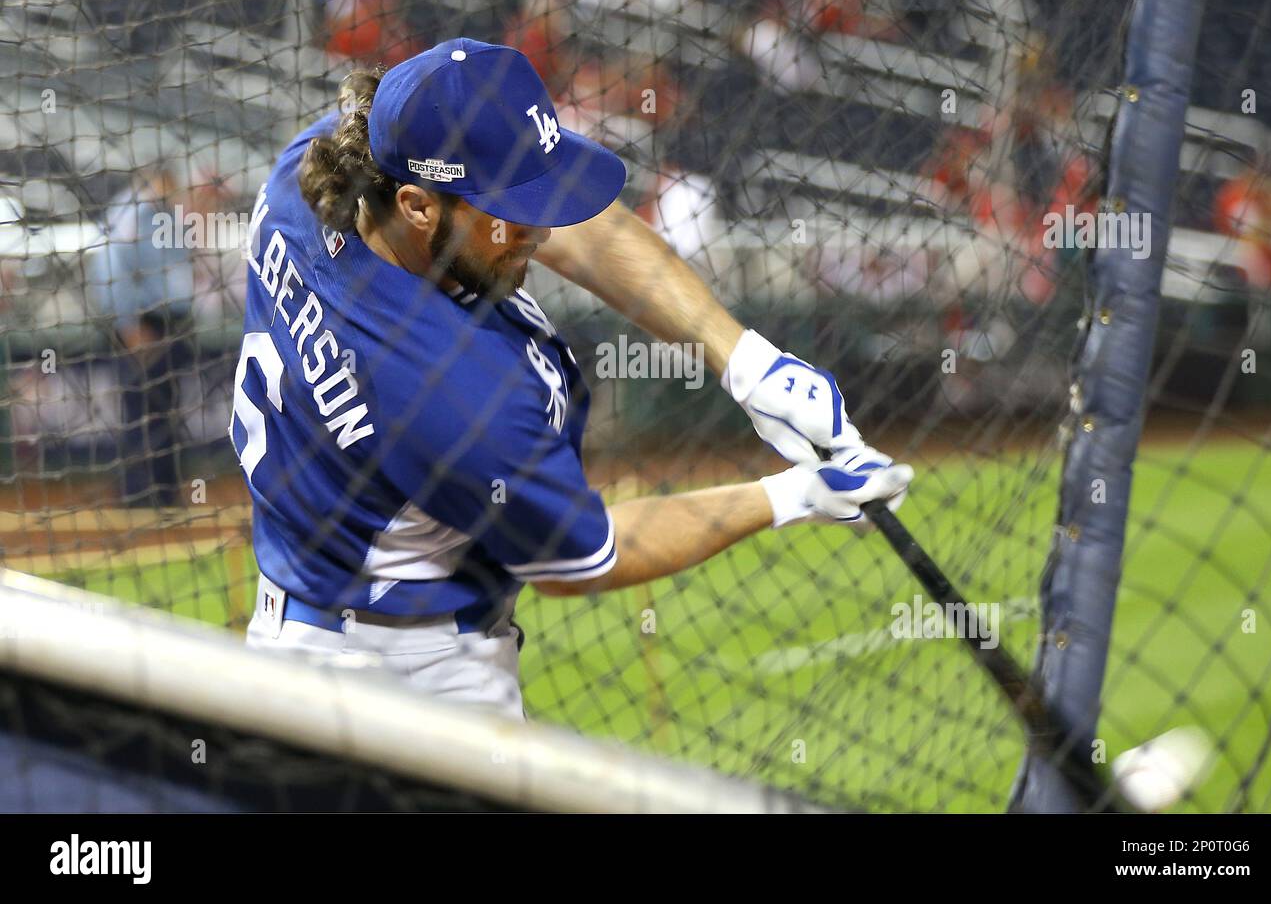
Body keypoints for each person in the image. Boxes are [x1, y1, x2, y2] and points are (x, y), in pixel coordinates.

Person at [231, 38, 913, 720]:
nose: (540, 226)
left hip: (295, 643)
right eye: (511, 209)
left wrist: (743, 359)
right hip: (410, 683)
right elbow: (587, 559)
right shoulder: (460, 397)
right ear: (416, 206)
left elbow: (568, 230)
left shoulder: (318, 169)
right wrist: (792, 495)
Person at [86, 164, 195, 507]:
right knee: (140, 410)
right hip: (142, 324)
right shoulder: (133, 212)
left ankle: (163, 493)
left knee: (164, 409)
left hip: (169, 322)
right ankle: (139, 495)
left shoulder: (165, 214)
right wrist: (128, 323)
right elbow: (110, 267)